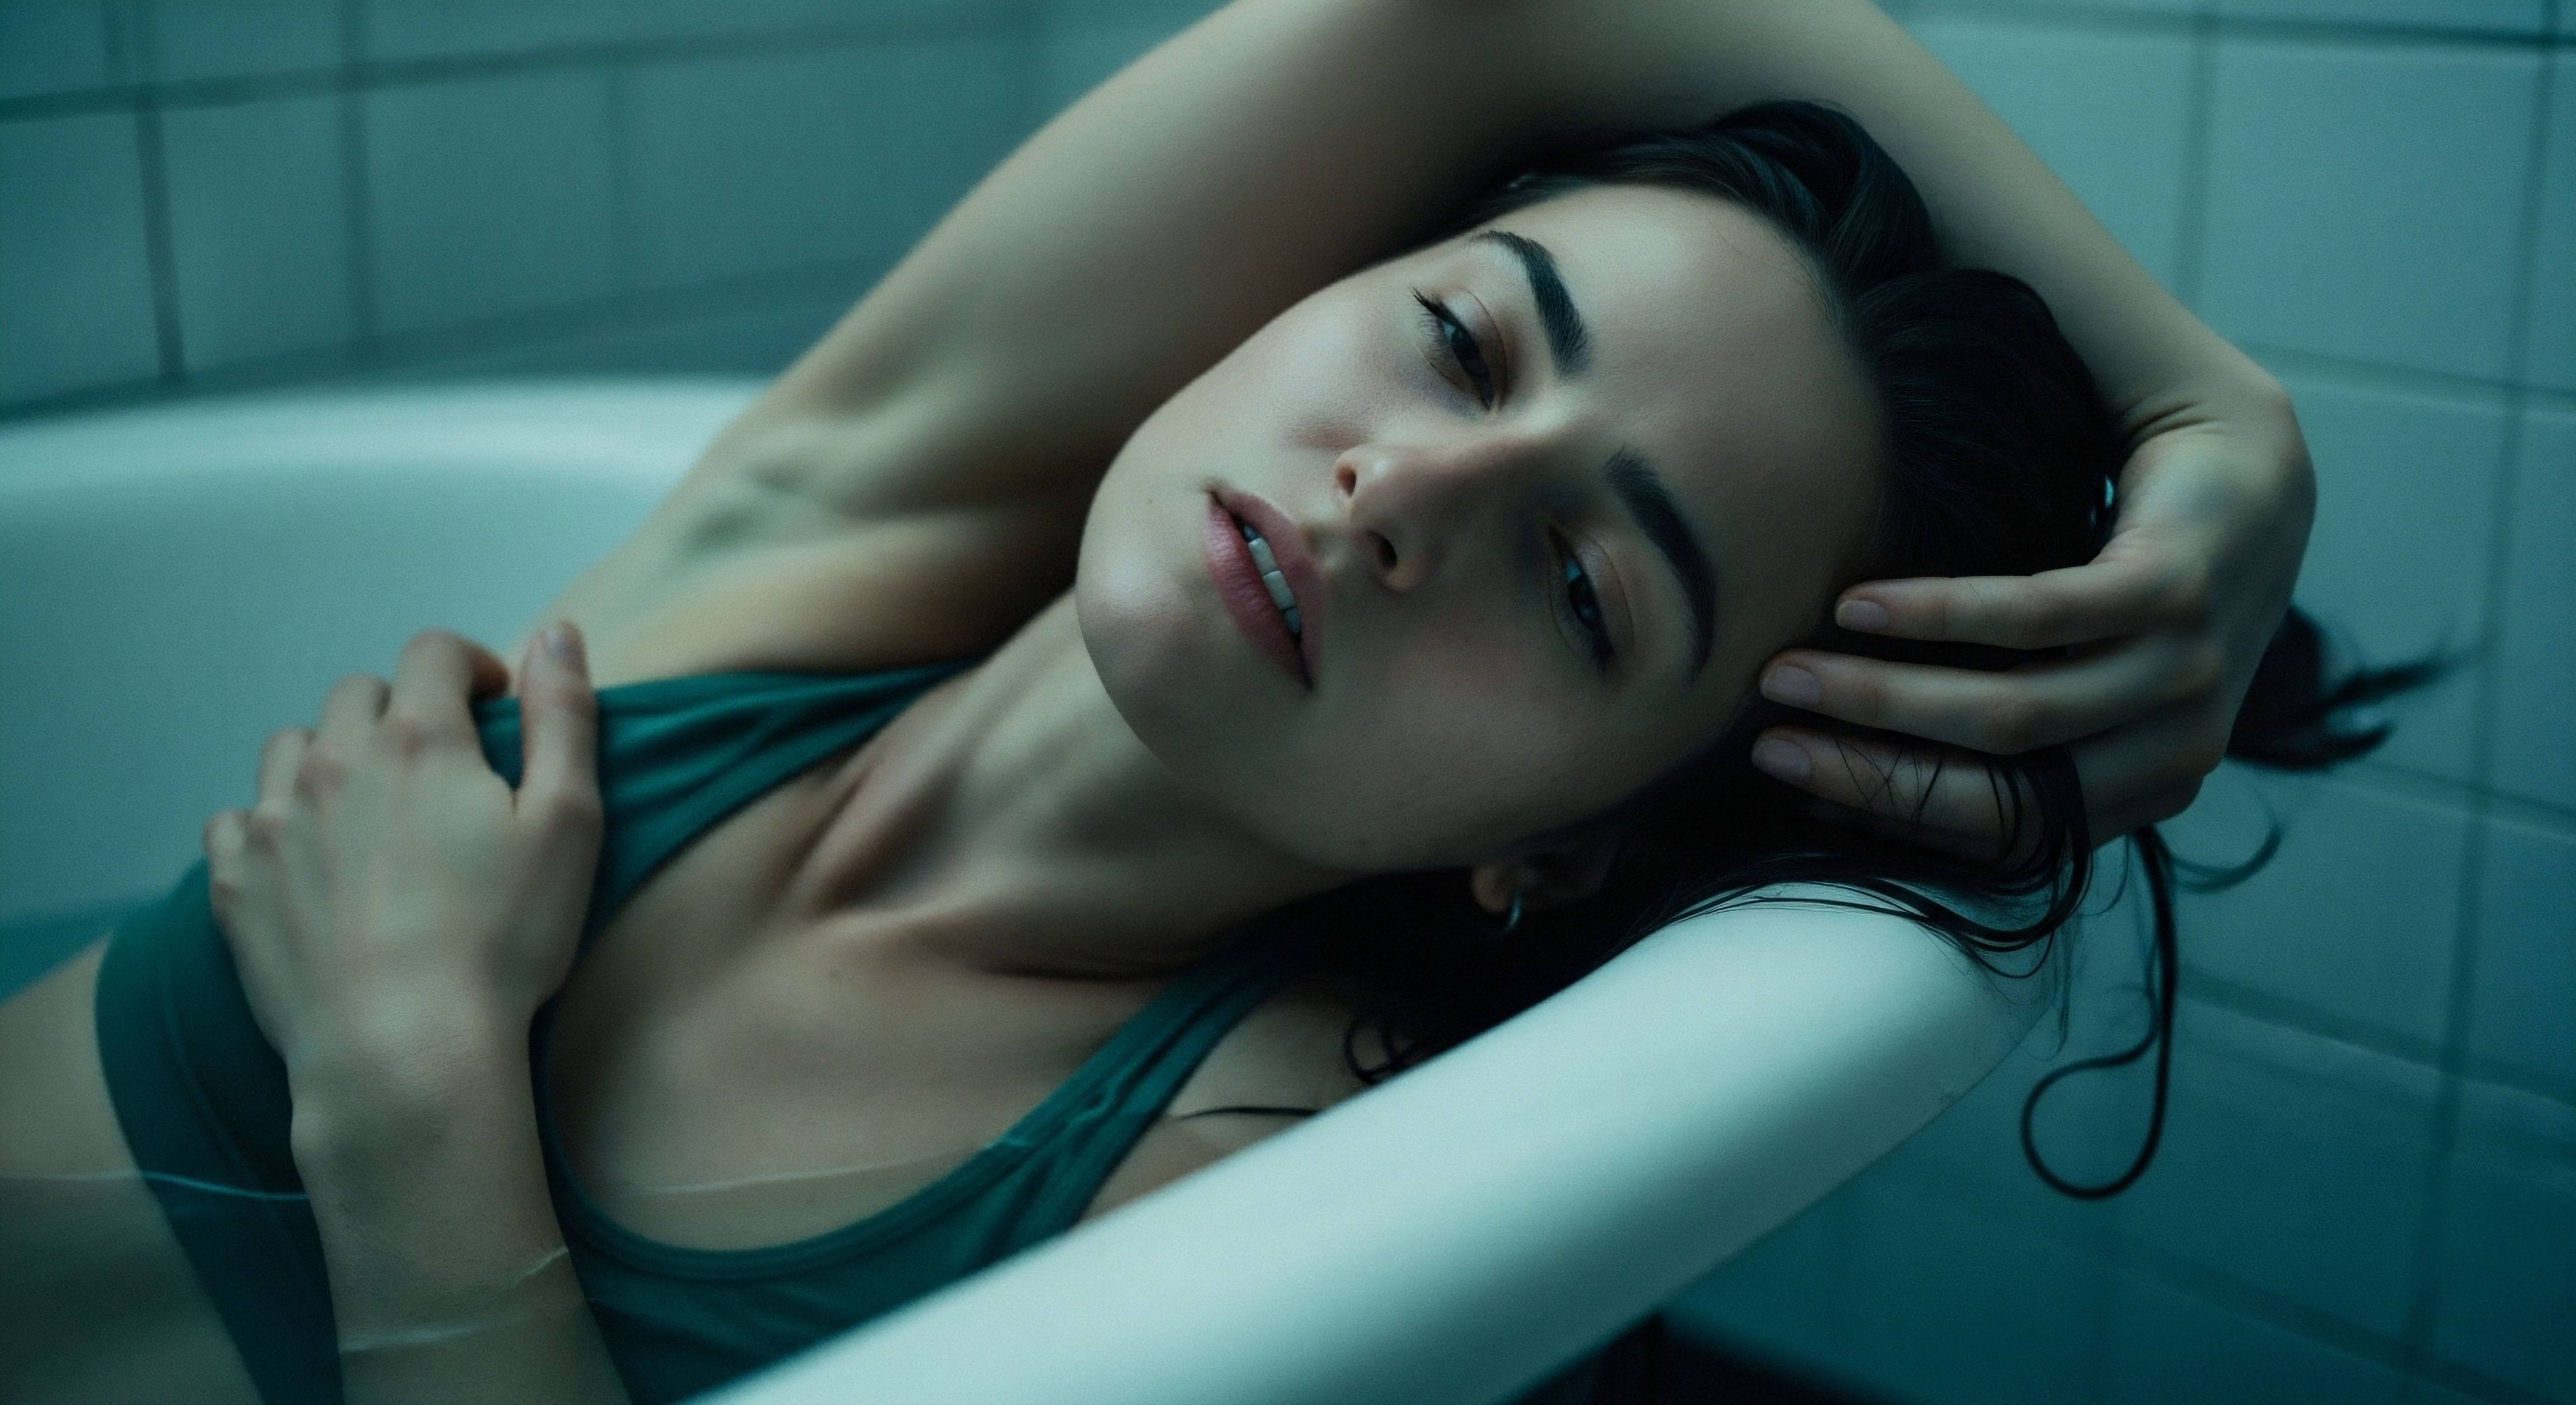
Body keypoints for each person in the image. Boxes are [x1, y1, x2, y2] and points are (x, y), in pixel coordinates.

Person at [0, 2, 2394, 1402]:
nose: (1403, 492)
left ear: (1560, 839)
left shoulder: (1212, 1163)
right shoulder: (825, 545)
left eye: (1579, 581)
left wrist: (415, 1106)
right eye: (1461, 339)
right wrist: (2215, 422)